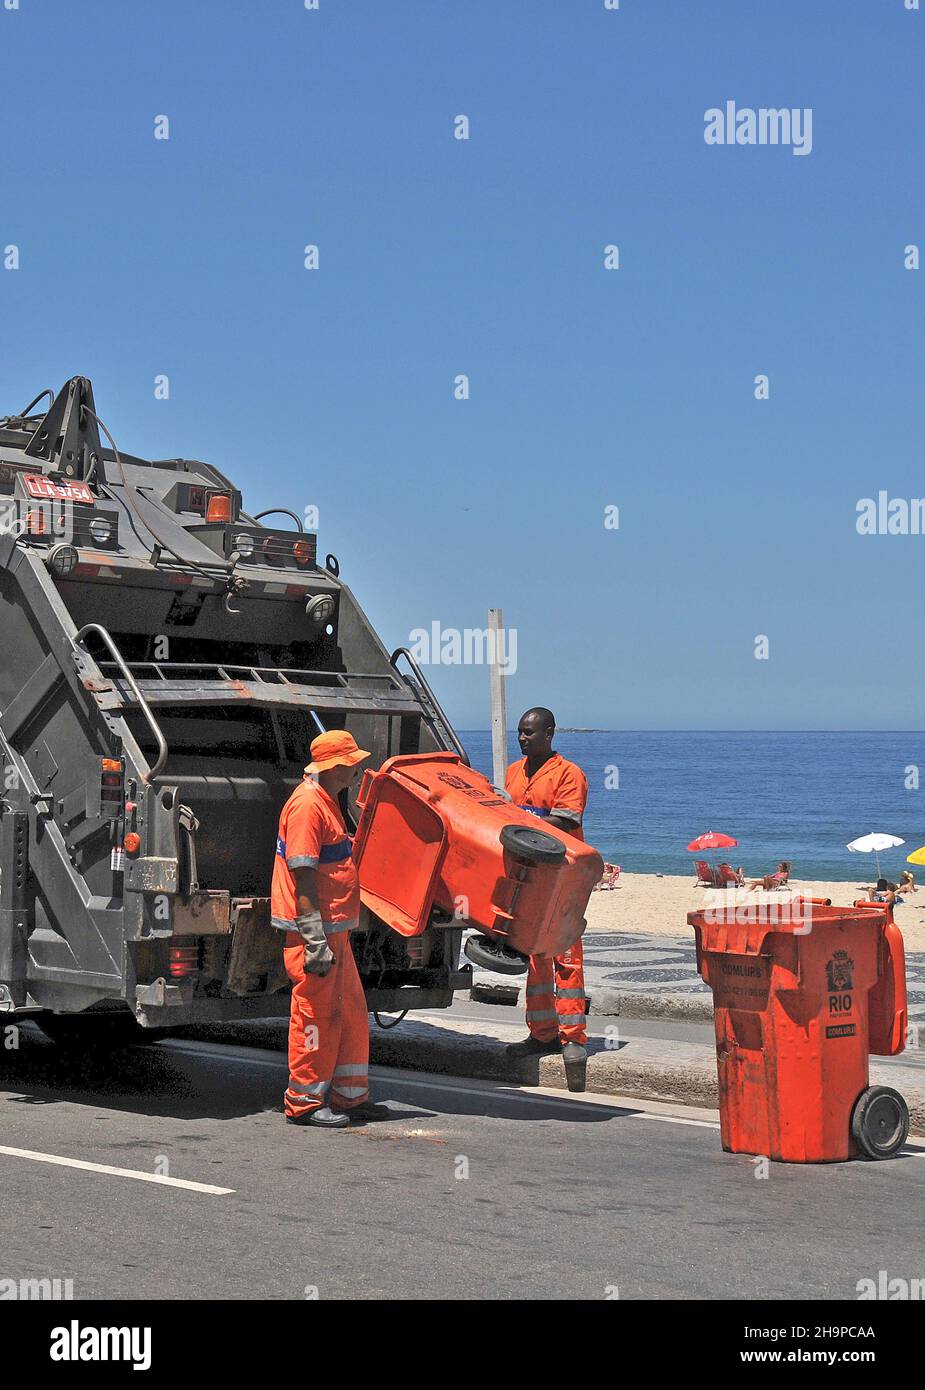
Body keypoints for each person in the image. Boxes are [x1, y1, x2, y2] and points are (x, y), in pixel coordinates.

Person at [271, 729, 372, 1129]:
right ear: (334, 766)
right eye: (352, 762)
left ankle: (348, 1095)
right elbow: (303, 875)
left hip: (333, 932)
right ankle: (305, 1102)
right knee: (315, 1014)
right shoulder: (308, 807)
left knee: (349, 1011)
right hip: (315, 933)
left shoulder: (325, 800)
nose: (358, 767)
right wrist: (314, 940)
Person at [503, 708, 589, 1067]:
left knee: (566, 956)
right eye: (520, 733)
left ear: (549, 734)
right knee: (536, 955)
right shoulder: (512, 773)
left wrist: (520, 822)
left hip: (563, 877)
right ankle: (542, 1034)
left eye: (529, 733)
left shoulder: (569, 774)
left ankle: (574, 1038)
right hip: (530, 880)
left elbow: (565, 820)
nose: (522, 739)